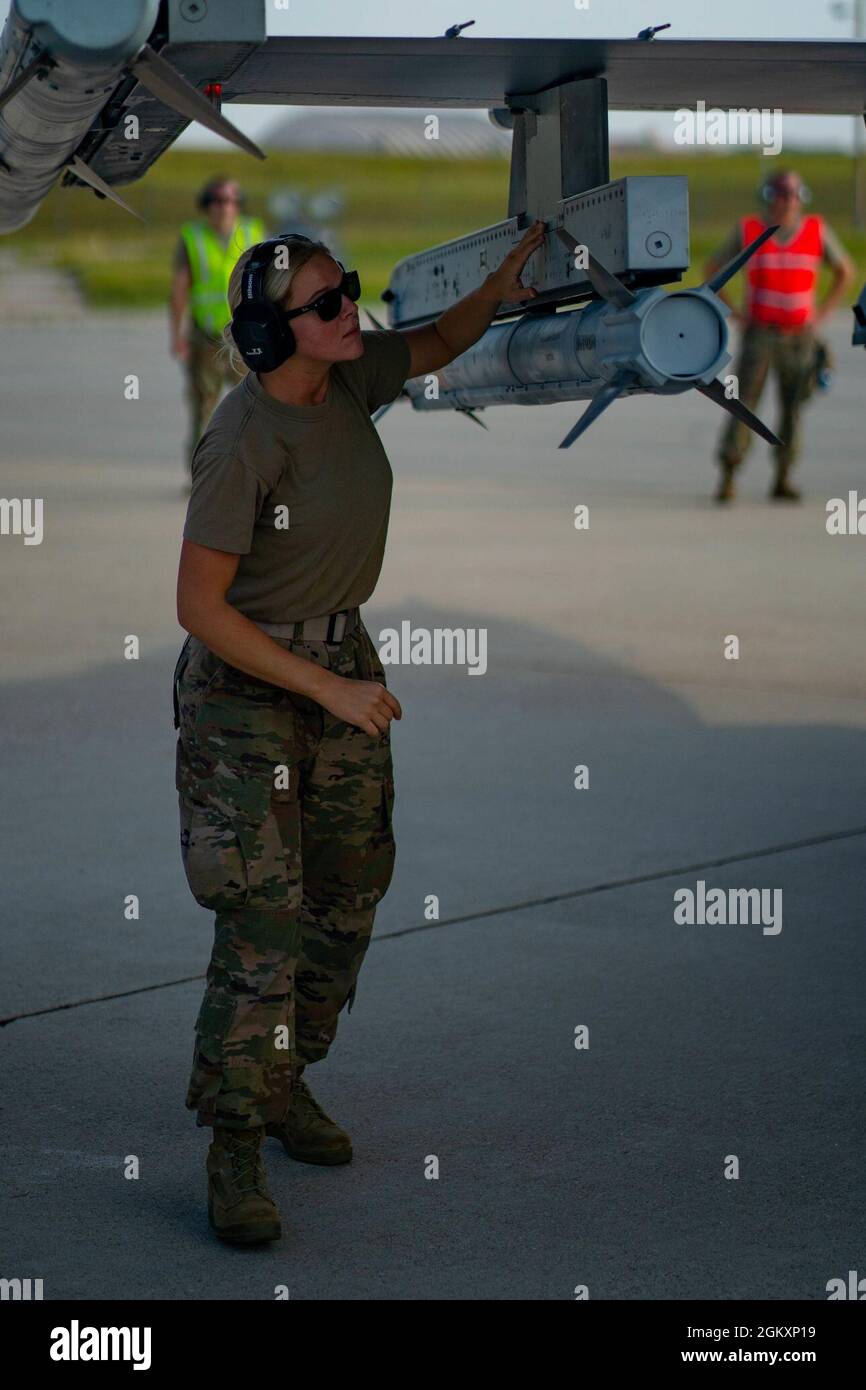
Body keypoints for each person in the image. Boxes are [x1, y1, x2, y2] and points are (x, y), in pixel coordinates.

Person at [172, 220, 547, 1244]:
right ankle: (235, 1141)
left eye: (349, 293)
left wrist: (502, 286)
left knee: (348, 892)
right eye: (328, 303)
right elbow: (200, 606)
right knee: (264, 915)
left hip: (337, 663)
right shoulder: (242, 439)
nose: (353, 315)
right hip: (246, 687)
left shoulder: (347, 375)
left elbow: (433, 344)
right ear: (270, 335)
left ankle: (287, 1078)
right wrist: (323, 689)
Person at [705, 169, 855, 502]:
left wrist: (822, 313)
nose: (788, 202)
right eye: (781, 195)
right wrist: (735, 313)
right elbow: (713, 269)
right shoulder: (750, 230)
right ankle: (729, 472)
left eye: (794, 195)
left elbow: (845, 270)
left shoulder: (816, 231)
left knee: (792, 408)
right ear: (769, 198)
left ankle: (783, 476)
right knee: (743, 404)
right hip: (760, 335)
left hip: (799, 336)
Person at [169, 177, 266, 476]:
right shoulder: (193, 238)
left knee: (255, 407)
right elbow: (180, 289)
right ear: (207, 205)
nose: (224, 208)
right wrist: (177, 335)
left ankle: (254, 472)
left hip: (246, 339)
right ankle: (202, 474)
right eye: (218, 201)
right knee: (203, 409)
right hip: (207, 338)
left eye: (231, 201)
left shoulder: (253, 233)